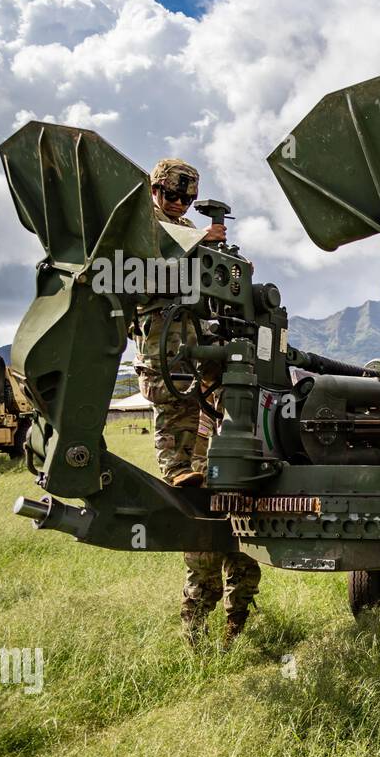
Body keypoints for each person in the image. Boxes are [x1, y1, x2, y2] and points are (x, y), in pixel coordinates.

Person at [134, 158, 261, 648]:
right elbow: (142, 275)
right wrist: (195, 248)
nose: (180, 206)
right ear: (155, 191)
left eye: (186, 199)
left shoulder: (187, 231)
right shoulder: (143, 231)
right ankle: (179, 471)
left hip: (199, 352)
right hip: (166, 350)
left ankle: (234, 620)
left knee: (231, 527)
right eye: (172, 197)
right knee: (177, 423)